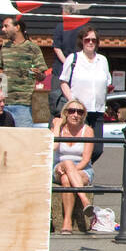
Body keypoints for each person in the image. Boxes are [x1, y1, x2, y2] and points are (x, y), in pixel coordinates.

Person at [58, 26, 113, 164]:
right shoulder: (73, 58)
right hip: (79, 111)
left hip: (98, 110)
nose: (90, 42)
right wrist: (72, 101)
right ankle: (77, 172)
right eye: (87, 39)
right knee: (80, 146)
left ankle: (83, 168)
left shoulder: (103, 60)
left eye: (93, 40)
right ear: (81, 41)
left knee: (97, 149)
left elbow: (108, 82)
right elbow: (63, 82)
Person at [51, 99, 95, 234]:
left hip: (82, 168)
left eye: (80, 112)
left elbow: (86, 159)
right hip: (59, 166)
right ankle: (85, 201)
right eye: (72, 111)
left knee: (66, 179)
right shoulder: (59, 129)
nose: (76, 115)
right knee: (67, 164)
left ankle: (67, 222)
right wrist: (57, 126)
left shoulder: (87, 131)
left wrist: (69, 170)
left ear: (84, 115)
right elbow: (53, 147)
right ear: (65, 113)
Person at [0, 16, 47, 128]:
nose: (3, 29)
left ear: (17, 27)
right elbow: (0, 73)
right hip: (4, 104)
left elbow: (43, 76)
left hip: (24, 105)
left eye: (6, 26)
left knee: (23, 141)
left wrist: (38, 74)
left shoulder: (32, 48)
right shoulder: (4, 48)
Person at [50, 7, 81, 118]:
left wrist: (66, 62)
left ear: (66, 13)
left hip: (60, 70)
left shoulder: (60, 27)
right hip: (78, 69)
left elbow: (57, 48)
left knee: (57, 102)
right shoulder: (83, 28)